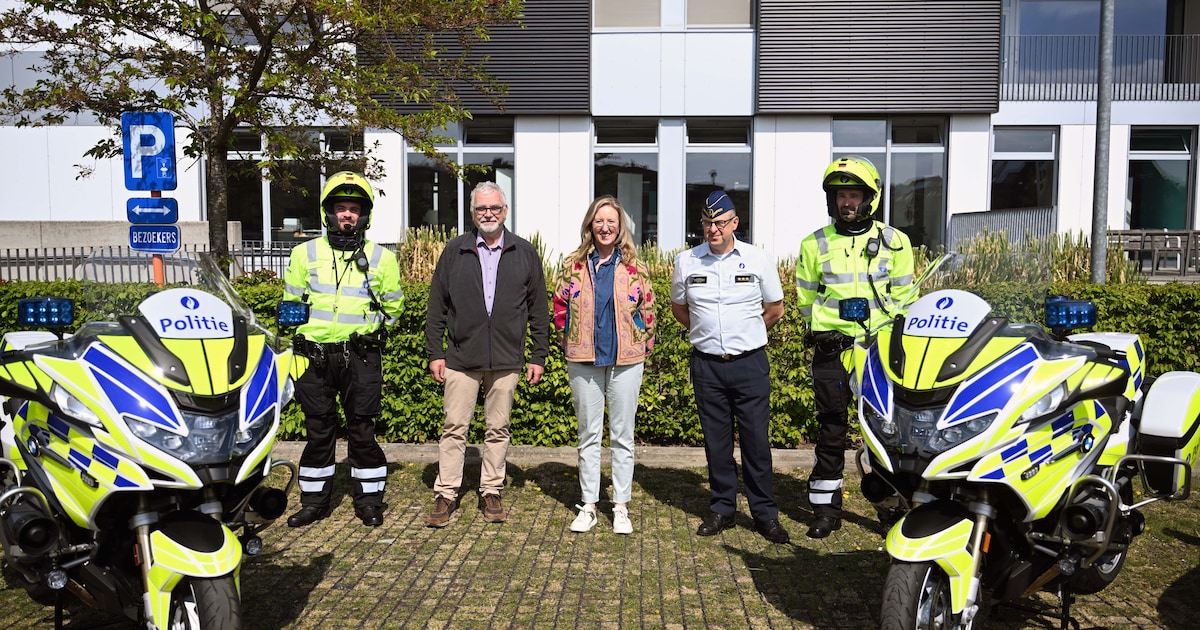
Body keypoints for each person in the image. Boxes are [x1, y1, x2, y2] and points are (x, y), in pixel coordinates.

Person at [795, 156, 914, 539]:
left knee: (885, 432)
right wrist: (823, 329)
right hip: (832, 351)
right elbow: (804, 300)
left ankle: (892, 508)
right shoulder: (813, 244)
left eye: (854, 195)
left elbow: (907, 300)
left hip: (879, 353)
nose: (847, 202)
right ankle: (826, 511)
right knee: (831, 430)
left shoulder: (896, 243)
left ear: (870, 198)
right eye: (840, 195)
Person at [424, 181, 550, 528]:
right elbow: (437, 306)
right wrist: (436, 352)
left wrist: (538, 355)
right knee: (454, 427)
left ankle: (490, 489)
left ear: (505, 211)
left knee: (498, 428)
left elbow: (538, 309)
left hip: (507, 358)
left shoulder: (524, 252)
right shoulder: (456, 250)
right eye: (482, 209)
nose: (489, 214)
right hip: (462, 357)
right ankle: (446, 493)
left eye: (494, 208)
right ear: (473, 213)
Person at [283, 171, 404, 528]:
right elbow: (291, 305)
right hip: (313, 355)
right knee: (319, 430)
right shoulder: (303, 253)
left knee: (362, 430)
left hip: (362, 355)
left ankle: (369, 501)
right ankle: (314, 502)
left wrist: (369, 332)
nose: (347, 215)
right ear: (328, 213)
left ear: (364, 215)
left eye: (354, 208)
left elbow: (394, 308)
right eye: (341, 208)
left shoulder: (382, 259)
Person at [669, 190, 789, 544]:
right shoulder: (687, 261)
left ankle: (764, 513)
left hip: (750, 363)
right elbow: (679, 307)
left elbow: (775, 309)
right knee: (716, 442)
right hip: (707, 365)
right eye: (707, 223)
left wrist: (746, 334)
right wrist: (707, 333)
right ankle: (723, 508)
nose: (712, 229)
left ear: (735, 223)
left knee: (755, 442)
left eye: (719, 222)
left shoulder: (758, 259)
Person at [552, 195, 656, 535]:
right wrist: (567, 339)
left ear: (620, 226)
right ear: (590, 226)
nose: (605, 227)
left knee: (623, 436)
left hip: (626, 360)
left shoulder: (634, 267)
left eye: (611, 221)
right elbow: (558, 306)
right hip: (584, 358)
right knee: (588, 435)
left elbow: (649, 309)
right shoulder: (573, 265)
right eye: (599, 221)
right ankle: (589, 504)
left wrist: (643, 343)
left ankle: (621, 506)